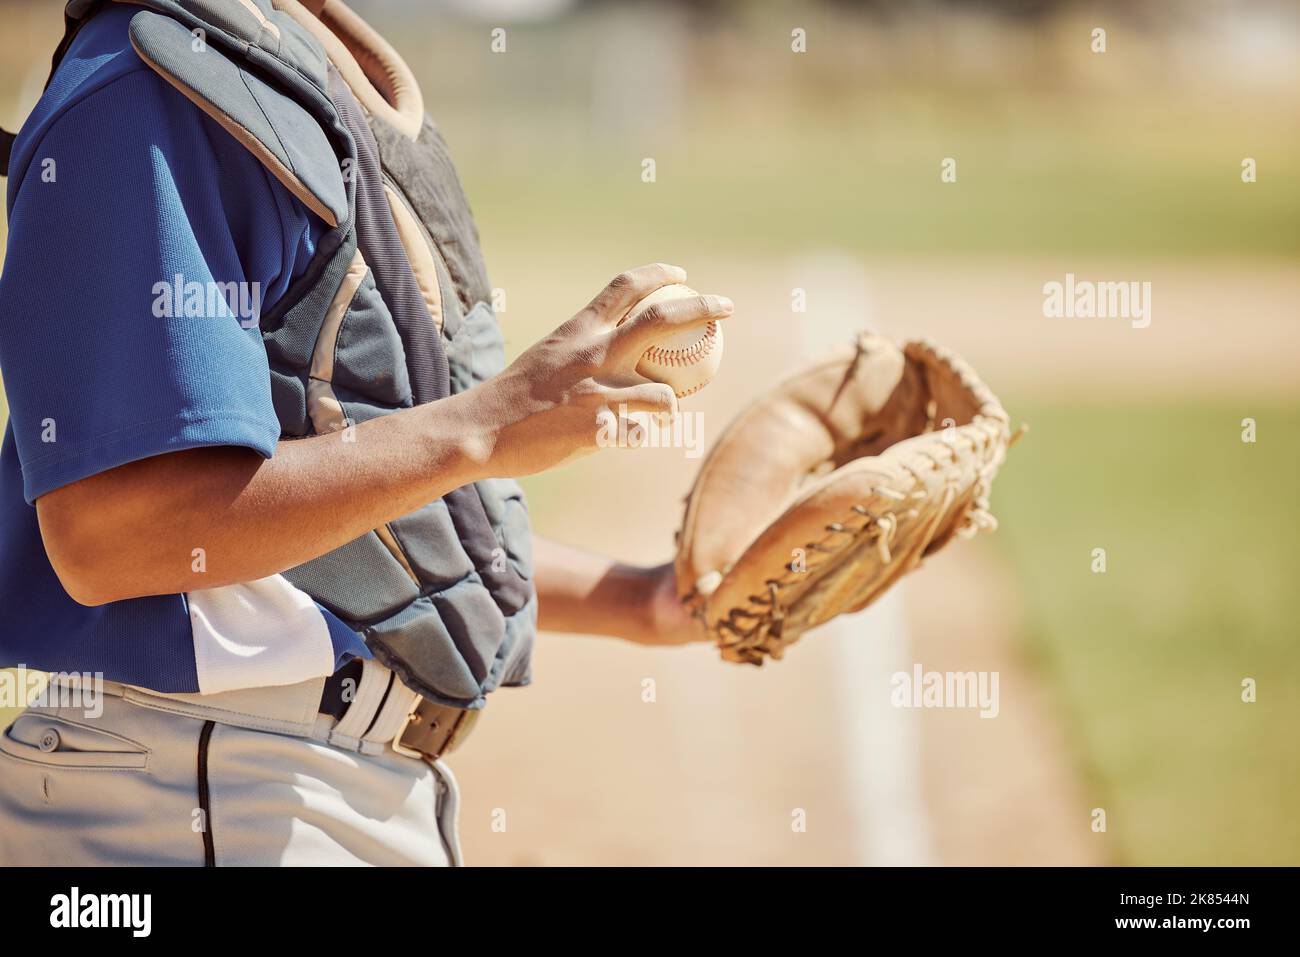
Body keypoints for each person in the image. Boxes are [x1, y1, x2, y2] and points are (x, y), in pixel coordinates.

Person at [0, 0, 730, 866]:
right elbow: (111, 531)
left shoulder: (298, 59)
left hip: (287, 786)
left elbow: (373, 516)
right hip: (206, 801)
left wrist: (638, 601)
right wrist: (490, 423)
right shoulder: (150, 87)